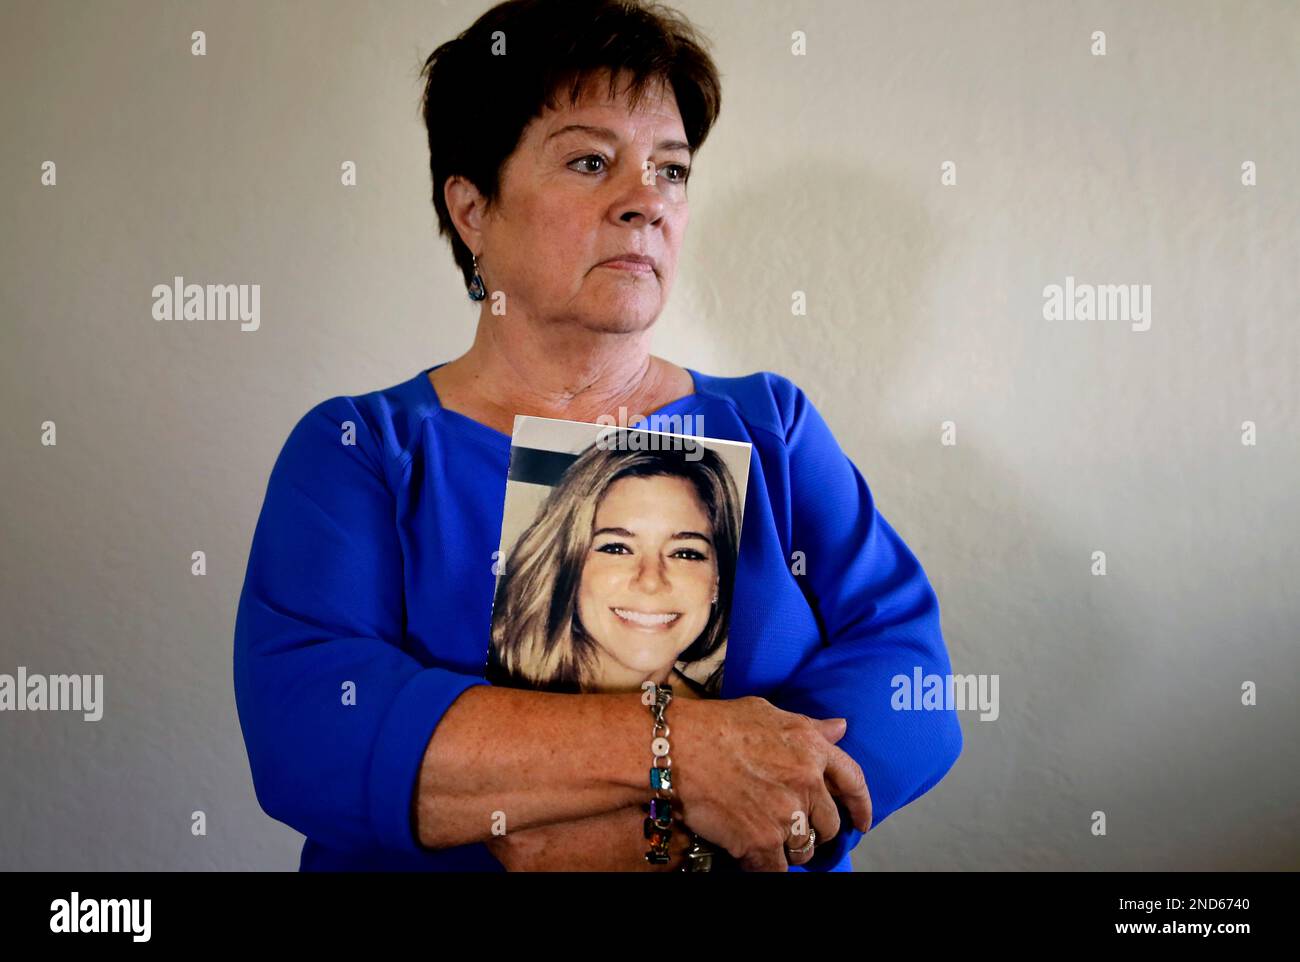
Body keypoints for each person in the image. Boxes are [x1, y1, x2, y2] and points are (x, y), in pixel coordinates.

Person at [233, 0, 962, 873]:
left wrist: (633, 838)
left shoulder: (772, 426)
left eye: (672, 171)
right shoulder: (361, 452)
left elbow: (912, 685)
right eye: (590, 161)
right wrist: (681, 749)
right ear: (472, 208)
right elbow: (309, 730)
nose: (646, 201)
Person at [488, 434, 741, 698]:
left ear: (718, 580)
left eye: (685, 553)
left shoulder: (723, 727)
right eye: (617, 548)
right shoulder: (482, 688)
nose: (651, 581)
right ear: (568, 566)